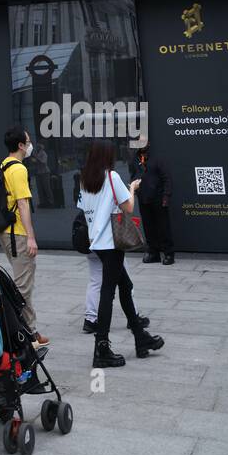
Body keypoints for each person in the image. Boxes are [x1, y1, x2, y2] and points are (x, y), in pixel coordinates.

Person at [78, 139, 164, 368]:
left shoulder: (85, 179)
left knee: (125, 287)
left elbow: (85, 209)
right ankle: (102, 347)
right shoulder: (112, 176)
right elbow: (128, 207)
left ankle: (140, 338)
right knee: (109, 292)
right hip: (111, 243)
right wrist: (132, 189)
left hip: (96, 242)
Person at [0, 126, 49, 349]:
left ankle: (32, 330)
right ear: (20, 145)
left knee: (21, 285)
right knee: (20, 289)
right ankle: (16, 336)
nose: (30, 145)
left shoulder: (3, 165)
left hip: (6, 233)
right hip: (17, 233)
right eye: (28, 142)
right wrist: (31, 237)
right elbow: (23, 203)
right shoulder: (18, 169)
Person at [129, 134, 174, 265]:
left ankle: (168, 253)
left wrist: (166, 196)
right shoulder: (134, 160)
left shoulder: (157, 159)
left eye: (143, 141)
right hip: (143, 198)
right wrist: (134, 188)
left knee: (163, 227)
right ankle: (153, 253)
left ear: (148, 143)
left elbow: (167, 178)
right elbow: (133, 176)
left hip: (158, 199)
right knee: (148, 227)